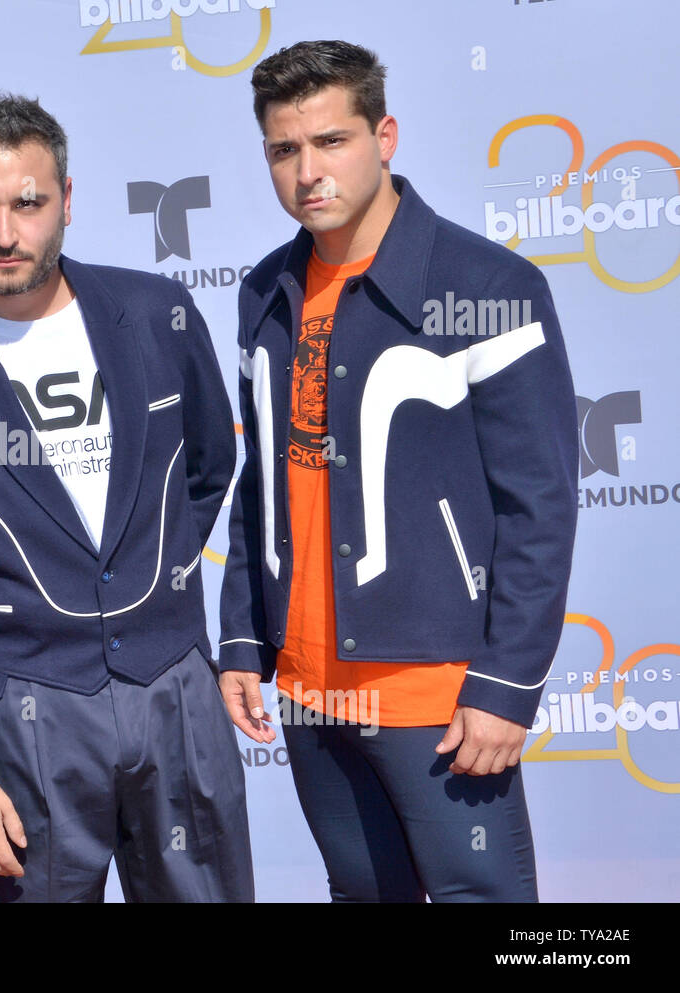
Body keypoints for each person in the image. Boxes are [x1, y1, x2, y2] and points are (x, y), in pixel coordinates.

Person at [0, 94, 252, 902]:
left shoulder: (157, 314)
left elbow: (211, 466)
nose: (5, 233)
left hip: (174, 689)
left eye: (28, 203)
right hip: (20, 714)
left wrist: (152, 577)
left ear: (66, 200)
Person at [218, 41, 578, 902]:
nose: (308, 170)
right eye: (284, 149)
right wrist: (240, 636)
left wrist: (505, 686)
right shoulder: (264, 291)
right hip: (308, 694)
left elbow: (542, 506)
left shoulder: (489, 285)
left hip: (440, 700)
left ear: (385, 136)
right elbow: (260, 476)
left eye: (332, 141)